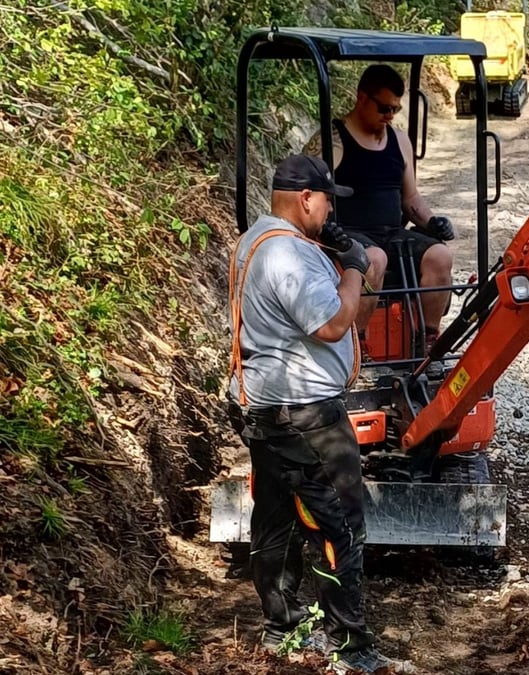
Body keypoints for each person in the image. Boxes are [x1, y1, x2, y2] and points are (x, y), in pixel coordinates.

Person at [227, 154, 391, 672]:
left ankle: (281, 627)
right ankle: (352, 646)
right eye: (326, 201)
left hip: (267, 408)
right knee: (341, 522)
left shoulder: (257, 239)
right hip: (307, 415)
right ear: (305, 199)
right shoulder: (287, 256)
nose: (329, 211)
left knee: (275, 517)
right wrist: (355, 268)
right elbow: (333, 324)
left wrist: (336, 257)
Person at [304, 64, 455, 351]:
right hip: (346, 235)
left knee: (439, 255)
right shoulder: (334, 140)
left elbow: (411, 200)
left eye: (395, 110)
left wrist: (432, 222)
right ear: (362, 99)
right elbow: (309, 195)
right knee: (373, 259)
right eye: (384, 108)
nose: (389, 116)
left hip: (391, 234)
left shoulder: (399, 140)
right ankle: (355, 347)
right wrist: (324, 230)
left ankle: (426, 342)